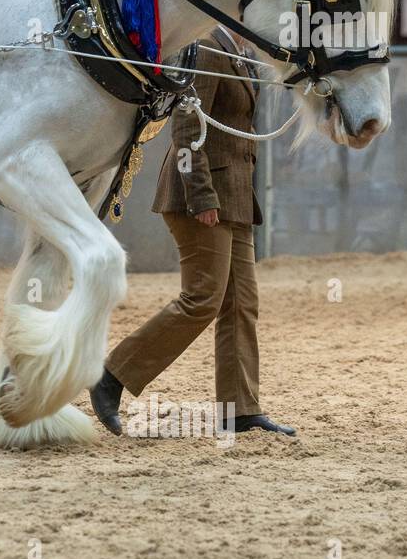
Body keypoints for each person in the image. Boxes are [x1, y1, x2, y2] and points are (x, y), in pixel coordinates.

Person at [90, 27, 295, 438]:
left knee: (241, 304)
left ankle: (239, 408)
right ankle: (111, 375)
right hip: (200, 196)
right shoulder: (206, 48)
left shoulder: (239, 52)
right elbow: (185, 126)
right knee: (202, 298)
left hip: (234, 196)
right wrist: (200, 195)